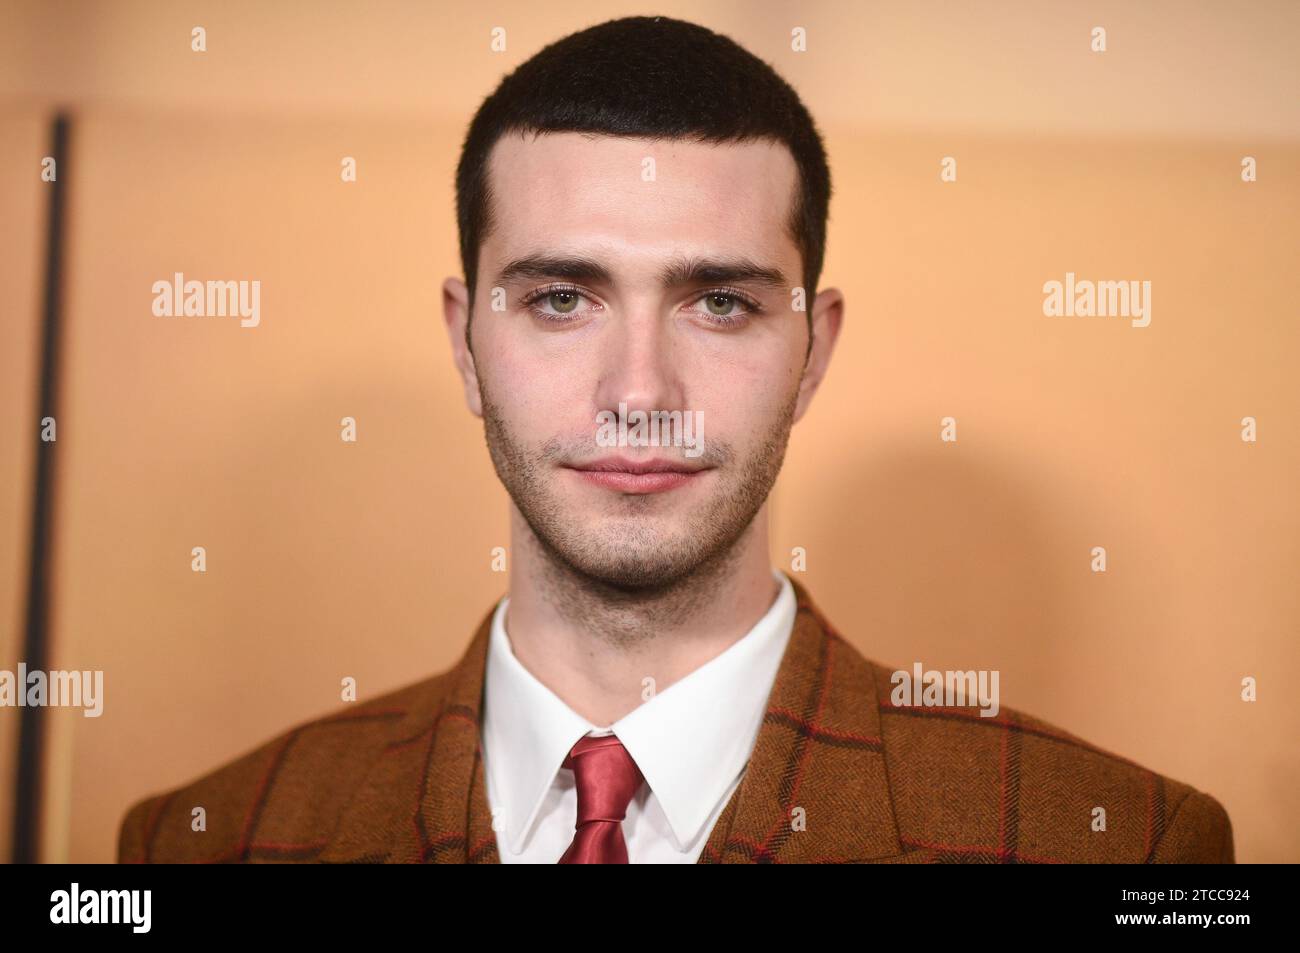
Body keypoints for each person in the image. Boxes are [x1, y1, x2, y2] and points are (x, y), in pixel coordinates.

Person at [118, 15, 1233, 864]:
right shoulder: (205, 840)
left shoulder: (1118, 842)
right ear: (465, 344)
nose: (639, 391)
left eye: (720, 303)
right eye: (560, 298)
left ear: (813, 349)